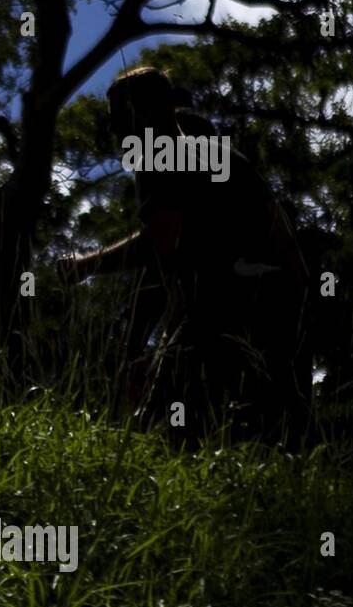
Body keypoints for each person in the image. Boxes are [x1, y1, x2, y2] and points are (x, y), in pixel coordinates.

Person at [59, 66, 311, 444]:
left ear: (139, 113)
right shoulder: (219, 154)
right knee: (270, 433)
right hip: (282, 307)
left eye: (118, 118)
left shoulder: (158, 158)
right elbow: (179, 263)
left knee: (167, 428)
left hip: (230, 307)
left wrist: (86, 265)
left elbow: (162, 244)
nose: (113, 131)